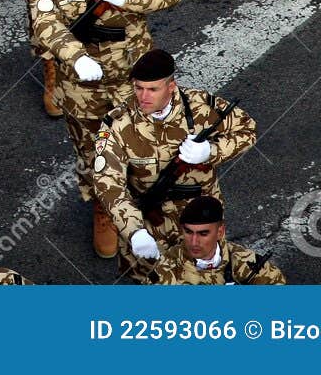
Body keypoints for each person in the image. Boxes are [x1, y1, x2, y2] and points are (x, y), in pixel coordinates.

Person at [27, 0, 183, 258]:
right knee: (92, 149)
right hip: (82, 84)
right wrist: (76, 56)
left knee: (145, 141)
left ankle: (146, 201)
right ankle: (106, 209)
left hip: (136, 77)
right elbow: (45, 22)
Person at [93, 50, 258, 278]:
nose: (143, 96)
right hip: (148, 222)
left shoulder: (200, 107)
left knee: (208, 276)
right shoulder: (118, 122)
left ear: (171, 86)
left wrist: (212, 151)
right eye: (138, 88)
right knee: (150, 279)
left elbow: (248, 130)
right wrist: (134, 231)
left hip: (201, 220)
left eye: (153, 89)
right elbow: (107, 182)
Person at [151, 198, 286, 285]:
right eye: (188, 232)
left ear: (219, 232)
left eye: (203, 234)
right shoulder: (166, 268)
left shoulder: (247, 263)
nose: (194, 242)